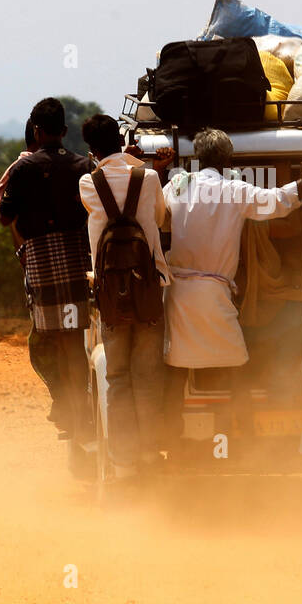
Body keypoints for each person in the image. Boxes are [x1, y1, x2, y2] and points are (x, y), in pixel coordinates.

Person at [160, 128, 302, 441]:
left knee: (176, 366)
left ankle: (168, 439)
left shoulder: (178, 185)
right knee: (238, 363)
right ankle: (245, 435)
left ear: (198, 157)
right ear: (228, 160)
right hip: (214, 295)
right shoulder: (236, 191)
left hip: (179, 294)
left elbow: (160, 217)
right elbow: (277, 202)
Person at [77, 115, 174, 480]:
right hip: (149, 293)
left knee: (117, 378)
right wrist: (140, 164)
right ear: (120, 139)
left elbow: (98, 187)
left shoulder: (88, 184)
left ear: (91, 149)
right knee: (148, 376)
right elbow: (162, 217)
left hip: (111, 298)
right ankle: (150, 455)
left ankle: (124, 461)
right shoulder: (148, 178)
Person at [0, 98, 95, 439]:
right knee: (73, 341)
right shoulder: (83, 166)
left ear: (36, 132)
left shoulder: (23, 170)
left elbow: (5, 216)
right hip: (77, 261)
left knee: (46, 342)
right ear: (65, 131)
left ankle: (64, 404)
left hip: (40, 263)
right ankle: (79, 409)